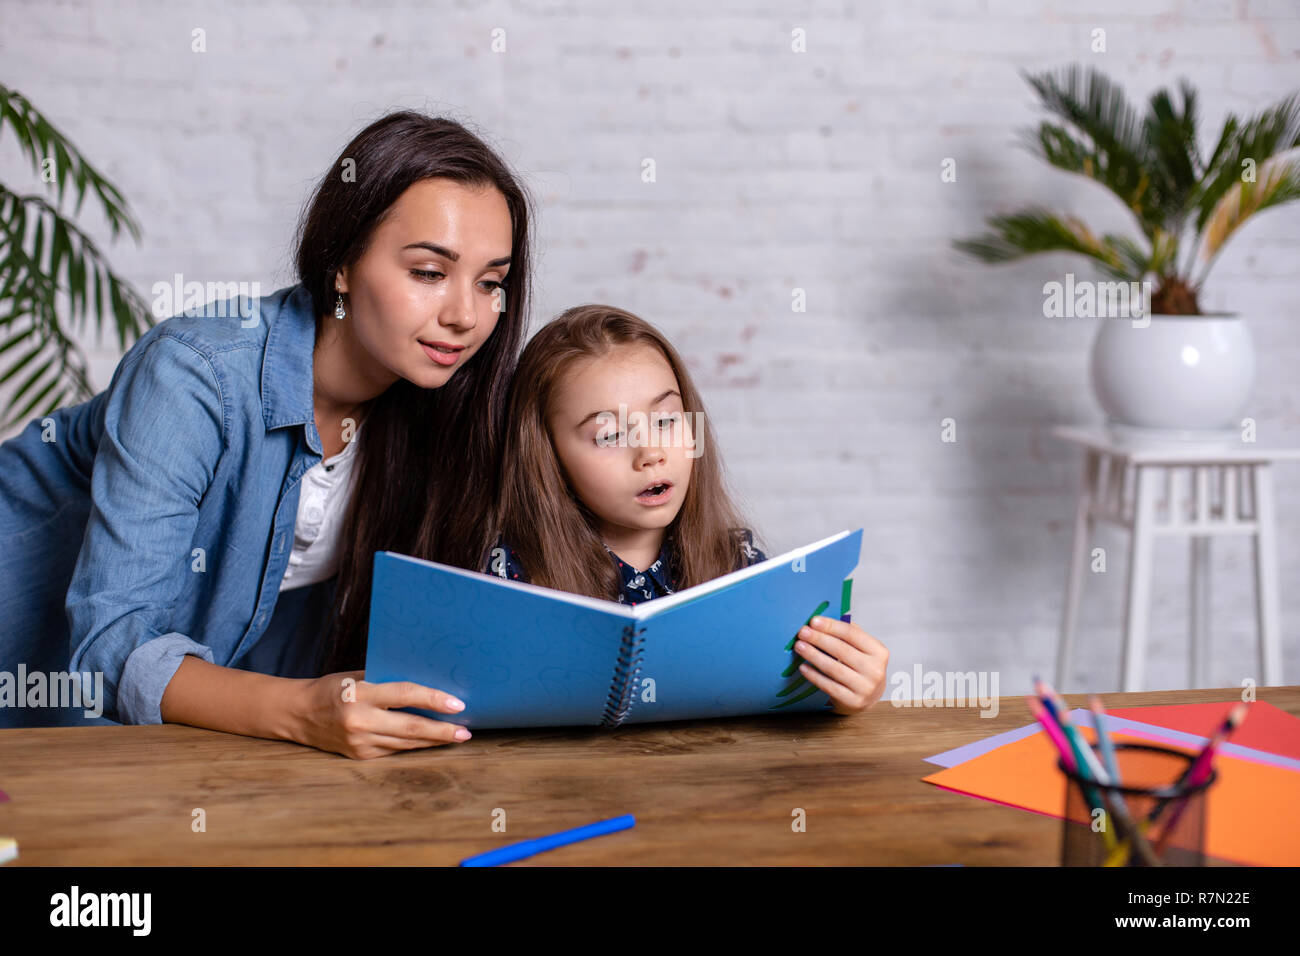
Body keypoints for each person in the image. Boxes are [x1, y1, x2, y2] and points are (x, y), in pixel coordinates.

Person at [0, 111, 533, 759]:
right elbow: (111, 647)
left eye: (490, 284)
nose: (465, 316)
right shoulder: (195, 374)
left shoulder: (436, 412)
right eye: (427, 272)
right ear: (341, 263)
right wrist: (304, 711)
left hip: (153, 753)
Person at [482, 304, 889, 715]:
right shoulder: (508, 577)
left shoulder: (737, 563)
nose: (651, 453)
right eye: (610, 435)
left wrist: (848, 692)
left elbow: (786, 696)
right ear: (547, 455)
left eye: (666, 421)